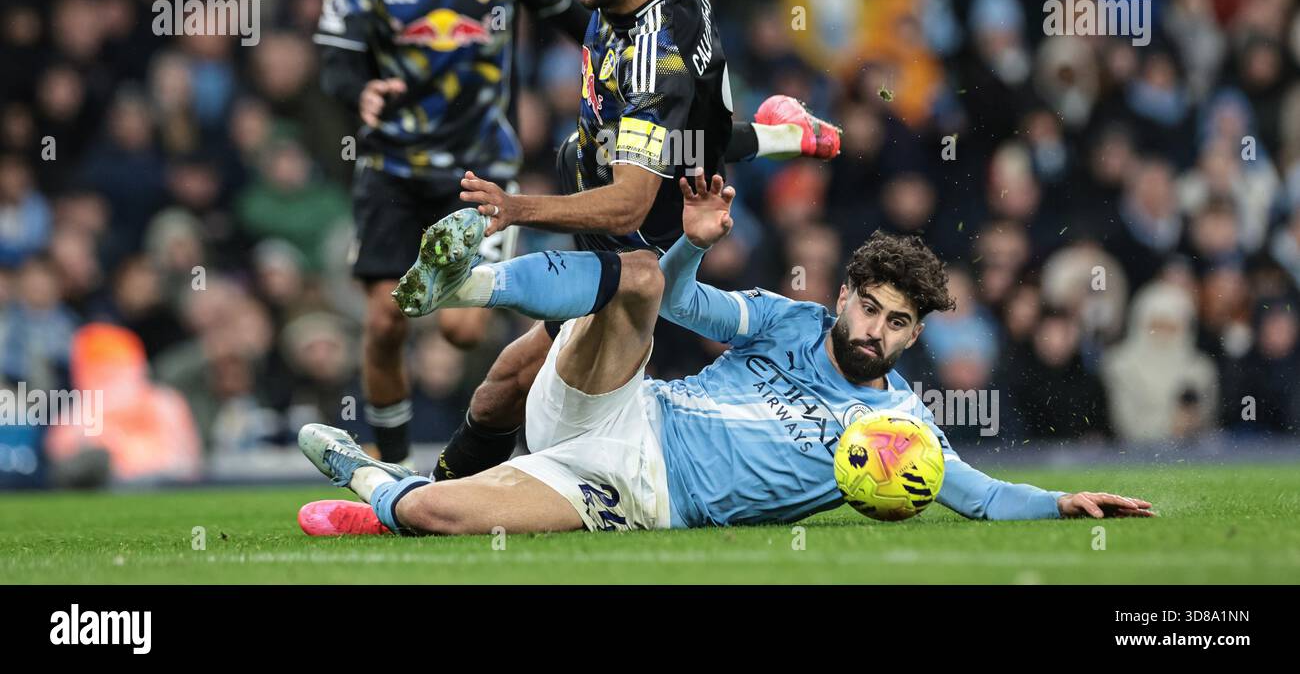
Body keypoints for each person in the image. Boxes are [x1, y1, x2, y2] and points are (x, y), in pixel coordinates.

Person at [393, 0, 841, 479]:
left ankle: (435, 482)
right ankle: (782, 133)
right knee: (507, 384)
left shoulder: (654, 63)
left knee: (559, 354)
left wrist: (514, 209)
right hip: (661, 148)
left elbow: (630, 205)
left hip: (646, 230)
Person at [297, 176, 1154, 536]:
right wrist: (695, 243)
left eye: (897, 325)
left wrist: (1062, 502)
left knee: (434, 520)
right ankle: (471, 284)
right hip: (626, 410)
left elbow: (981, 495)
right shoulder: (788, 318)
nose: (874, 333)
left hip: (643, 491)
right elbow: (673, 300)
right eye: (869, 309)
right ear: (846, 293)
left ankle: (368, 478)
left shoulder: (902, 431)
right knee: (627, 283)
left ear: (914, 336)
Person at [315, 0, 589, 464]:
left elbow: (576, 22)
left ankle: (479, 448)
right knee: (385, 323)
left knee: (465, 329)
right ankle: (389, 467)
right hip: (392, 167)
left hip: (482, 167)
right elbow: (334, 55)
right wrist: (360, 91)